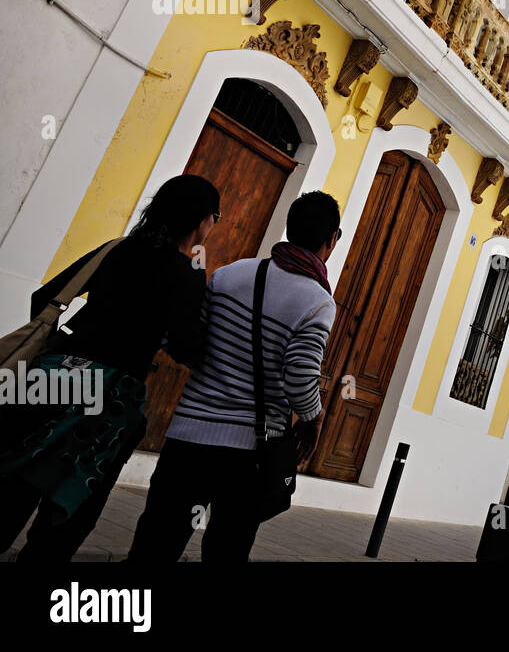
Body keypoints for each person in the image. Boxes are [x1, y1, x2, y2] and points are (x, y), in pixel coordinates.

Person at [0, 174, 217, 561]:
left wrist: (67, 346)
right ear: (203, 221)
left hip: (51, 381)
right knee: (67, 516)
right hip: (108, 403)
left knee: (12, 488)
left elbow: (45, 297)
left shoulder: (115, 249)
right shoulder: (188, 272)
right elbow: (187, 347)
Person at [127, 190, 341, 562]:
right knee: (227, 548)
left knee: (155, 543)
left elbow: (192, 342)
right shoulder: (317, 301)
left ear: (289, 229)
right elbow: (300, 376)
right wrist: (313, 417)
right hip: (249, 453)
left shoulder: (231, 273)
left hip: (189, 437)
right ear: (331, 241)